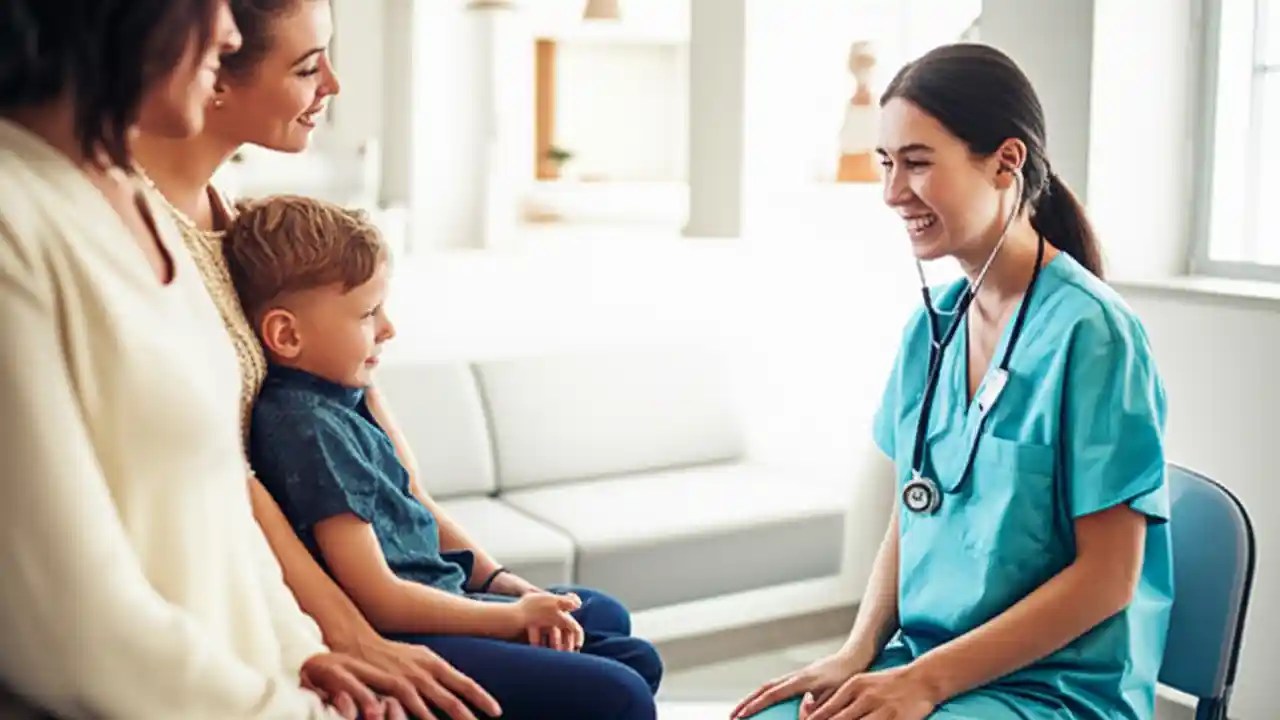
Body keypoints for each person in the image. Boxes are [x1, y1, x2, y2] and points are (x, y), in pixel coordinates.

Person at [0, 1, 430, 717]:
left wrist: (304, 655)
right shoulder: (17, 221)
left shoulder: (128, 197)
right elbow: (71, 624)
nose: (230, 33)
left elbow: (221, 499)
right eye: (212, 5)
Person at [732, 43, 1172, 720]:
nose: (891, 192)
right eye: (886, 164)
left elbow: (1108, 579)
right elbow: (916, 509)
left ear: (1005, 163)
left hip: (1052, 688)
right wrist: (856, 651)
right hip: (924, 659)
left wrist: (928, 682)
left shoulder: (1093, 336)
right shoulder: (931, 327)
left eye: (916, 163)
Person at [131, 2, 502, 718]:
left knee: (610, 640)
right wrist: (349, 635)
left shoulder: (230, 219)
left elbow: (359, 406)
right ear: (216, 70)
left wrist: (489, 573)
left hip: (317, 586)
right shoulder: (140, 237)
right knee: (606, 689)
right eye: (307, 66)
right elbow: (224, 470)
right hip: (251, 600)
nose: (332, 83)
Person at [222, 194, 663, 720]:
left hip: (436, 593)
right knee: (624, 690)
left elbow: (412, 493)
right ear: (286, 335)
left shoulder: (339, 398)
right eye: (367, 313)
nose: (388, 328)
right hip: (409, 624)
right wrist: (513, 616)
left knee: (609, 623)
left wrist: (498, 583)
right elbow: (379, 597)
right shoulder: (307, 428)